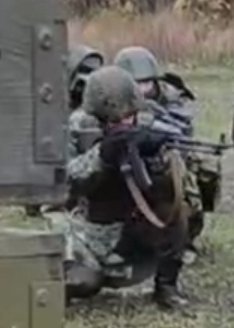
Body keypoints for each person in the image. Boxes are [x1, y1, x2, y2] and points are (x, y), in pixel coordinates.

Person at [60, 66, 193, 310]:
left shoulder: (148, 118)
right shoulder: (77, 126)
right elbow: (64, 180)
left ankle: (167, 287)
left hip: (133, 224)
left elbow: (178, 175)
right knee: (84, 282)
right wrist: (102, 155)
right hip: (88, 232)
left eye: (129, 117)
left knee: (177, 211)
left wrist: (155, 155)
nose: (124, 122)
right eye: (115, 120)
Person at [116, 46, 217, 261]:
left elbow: (182, 129)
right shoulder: (112, 97)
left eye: (147, 83)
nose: (142, 90)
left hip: (165, 157)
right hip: (123, 164)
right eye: (136, 84)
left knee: (203, 171)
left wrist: (153, 127)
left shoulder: (170, 97)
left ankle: (187, 234)